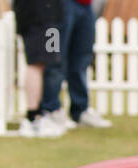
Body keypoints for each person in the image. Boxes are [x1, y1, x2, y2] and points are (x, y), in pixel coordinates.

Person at [41, 0, 113, 130]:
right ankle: (51, 109)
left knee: (81, 60)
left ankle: (80, 110)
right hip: (59, 5)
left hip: (85, 5)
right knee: (55, 59)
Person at [13, 0, 66, 137]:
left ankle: (45, 112)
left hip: (51, 17)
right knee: (36, 63)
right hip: (36, 18)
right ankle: (32, 117)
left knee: (49, 62)